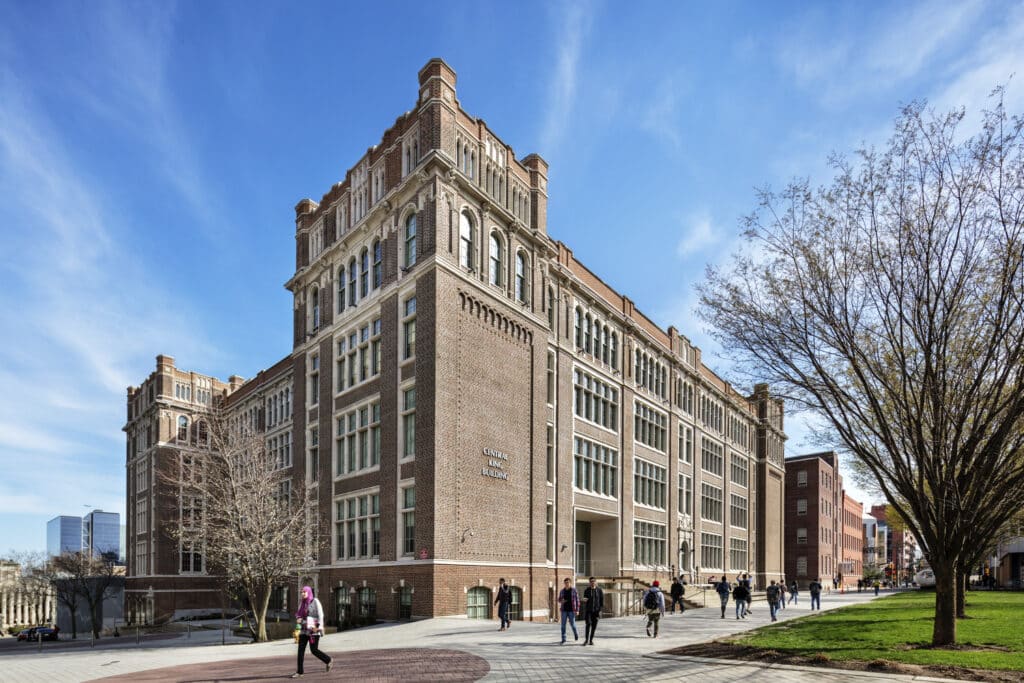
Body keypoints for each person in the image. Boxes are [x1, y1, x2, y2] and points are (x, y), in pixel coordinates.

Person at [292, 585, 332, 678]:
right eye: (301, 592)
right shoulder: (302, 603)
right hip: (304, 630)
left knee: (314, 650)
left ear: (309, 592)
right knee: (300, 651)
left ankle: (328, 660)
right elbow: (299, 614)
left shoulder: (315, 601)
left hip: (313, 630)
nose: (302, 593)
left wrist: (320, 627)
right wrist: (298, 618)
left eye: (304, 592)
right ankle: (299, 672)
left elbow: (321, 615)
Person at [580, 576, 604, 645]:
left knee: (594, 626)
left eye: (593, 581)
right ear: (589, 582)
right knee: (588, 624)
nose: (592, 582)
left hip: (596, 611)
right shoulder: (587, 590)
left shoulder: (599, 590)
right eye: (591, 581)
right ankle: (586, 640)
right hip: (588, 611)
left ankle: (591, 640)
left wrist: (600, 610)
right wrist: (584, 600)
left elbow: (601, 601)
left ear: (596, 582)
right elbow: (585, 599)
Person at [557, 577, 579, 644]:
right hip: (564, 610)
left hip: (572, 610)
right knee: (563, 625)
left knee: (572, 624)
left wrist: (577, 610)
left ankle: (576, 634)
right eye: (565, 583)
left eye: (568, 582)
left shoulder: (574, 590)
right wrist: (562, 601)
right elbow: (559, 600)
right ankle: (563, 639)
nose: (566, 584)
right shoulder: (562, 591)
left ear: (570, 583)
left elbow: (577, 601)